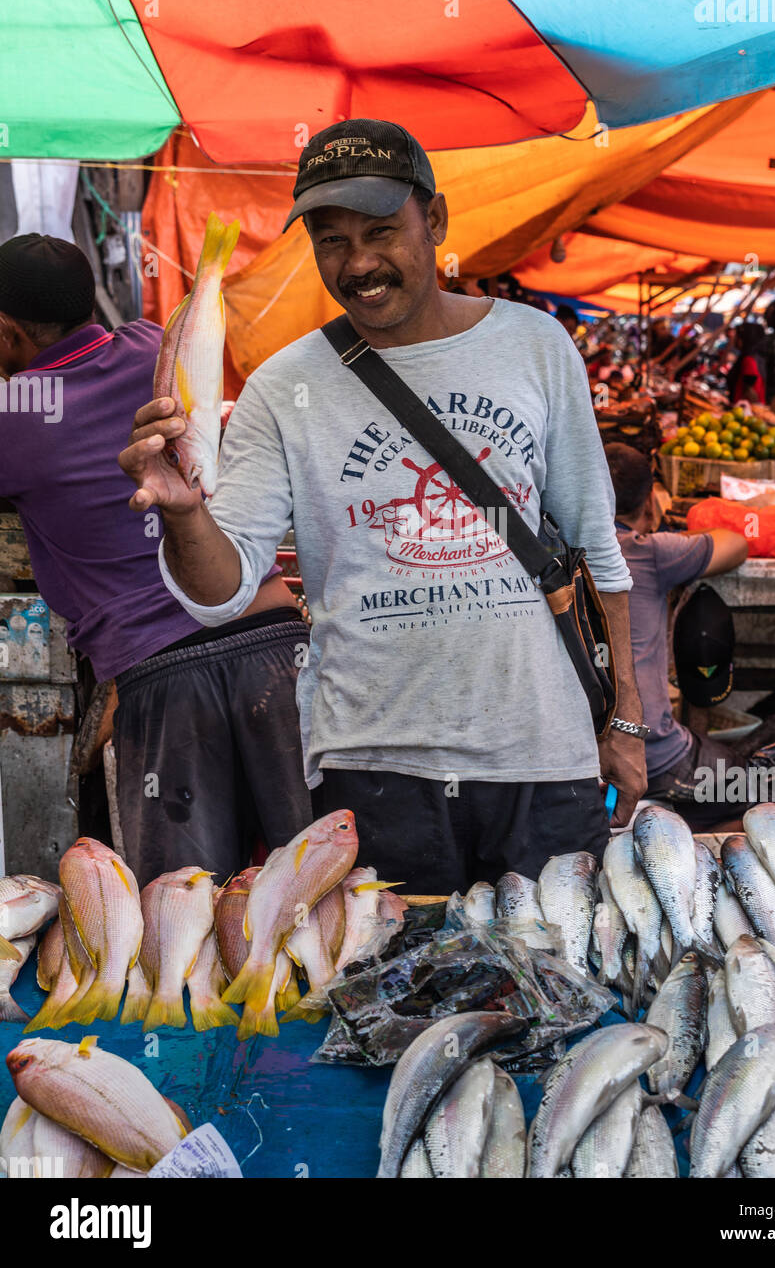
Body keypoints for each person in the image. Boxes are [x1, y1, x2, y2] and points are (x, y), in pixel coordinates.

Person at [119, 117, 650, 892]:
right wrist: (182, 512)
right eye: (331, 240)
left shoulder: (535, 347)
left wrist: (625, 718)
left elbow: (594, 545)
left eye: (380, 232)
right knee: (390, 972)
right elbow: (220, 593)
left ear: (433, 220)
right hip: (371, 770)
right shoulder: (282, 387)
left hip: (540, 754)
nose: (359, 263)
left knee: (552, 966)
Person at [0, 234, 312, 885]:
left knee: (186, 904)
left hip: (166, 677)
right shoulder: (151, 345)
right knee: (317, 887)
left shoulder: (14, 416)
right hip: (279, 645)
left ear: (7, 332)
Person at [605, 443, 753, 827]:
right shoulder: (650, 551)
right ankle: (692, 842)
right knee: (765, 795)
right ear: (649, 502)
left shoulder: (556, 546)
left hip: (579, 755)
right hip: (648, 754)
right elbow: (737, 544)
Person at [726, 319, 769, 405]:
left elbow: (750, 392)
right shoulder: (757, 357)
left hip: (744, 408)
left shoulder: (749, 359)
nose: (735, 339)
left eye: (738, 337)